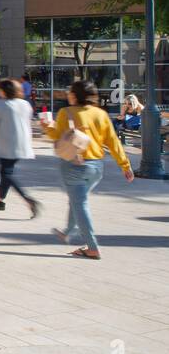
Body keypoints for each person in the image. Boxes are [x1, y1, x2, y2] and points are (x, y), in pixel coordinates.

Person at [42, 79, 134, 260]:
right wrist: (125, 165)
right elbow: (113, 142)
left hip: (73, 166)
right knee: (77, 200)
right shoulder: (101, 114)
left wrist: (46, 127)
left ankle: (92, 247)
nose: (68, 94)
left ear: (75, 95)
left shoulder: (65, 112)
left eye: (70, 92)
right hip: (96, 167)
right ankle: (67, 231)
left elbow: (56, 135)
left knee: (79, 203)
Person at [0, 78, 40, 217]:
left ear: (4, 90)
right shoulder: (25, 104)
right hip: (22, 144)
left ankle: (28, 199)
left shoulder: (1, 104)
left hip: (5, 144)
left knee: (6, 174)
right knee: (7, 172)